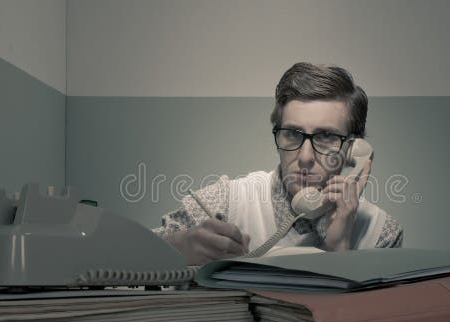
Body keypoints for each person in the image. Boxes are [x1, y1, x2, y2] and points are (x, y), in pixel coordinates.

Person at [152, 62, 403, 265]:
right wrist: (176, 249)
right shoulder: (224, 203)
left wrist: (339, 250)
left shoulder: (382, 234)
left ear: (352, 150)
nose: (305, 157)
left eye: (326, 137)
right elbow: (123, 263)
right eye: (292, 133)